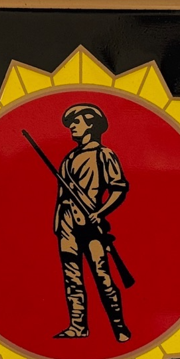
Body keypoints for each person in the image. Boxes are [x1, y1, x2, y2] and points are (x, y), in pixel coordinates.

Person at [53, 104, 130, 342]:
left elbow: (119, 188)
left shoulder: (104, 155)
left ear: (91, 125)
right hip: (66, 224)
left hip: (90, 224)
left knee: (102, 275)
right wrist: (59, 223)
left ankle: (119, 327)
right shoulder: (69, 158)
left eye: (77, 123)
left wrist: (101, 212)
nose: (72, 127)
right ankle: (78, 326)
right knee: (72, 277)